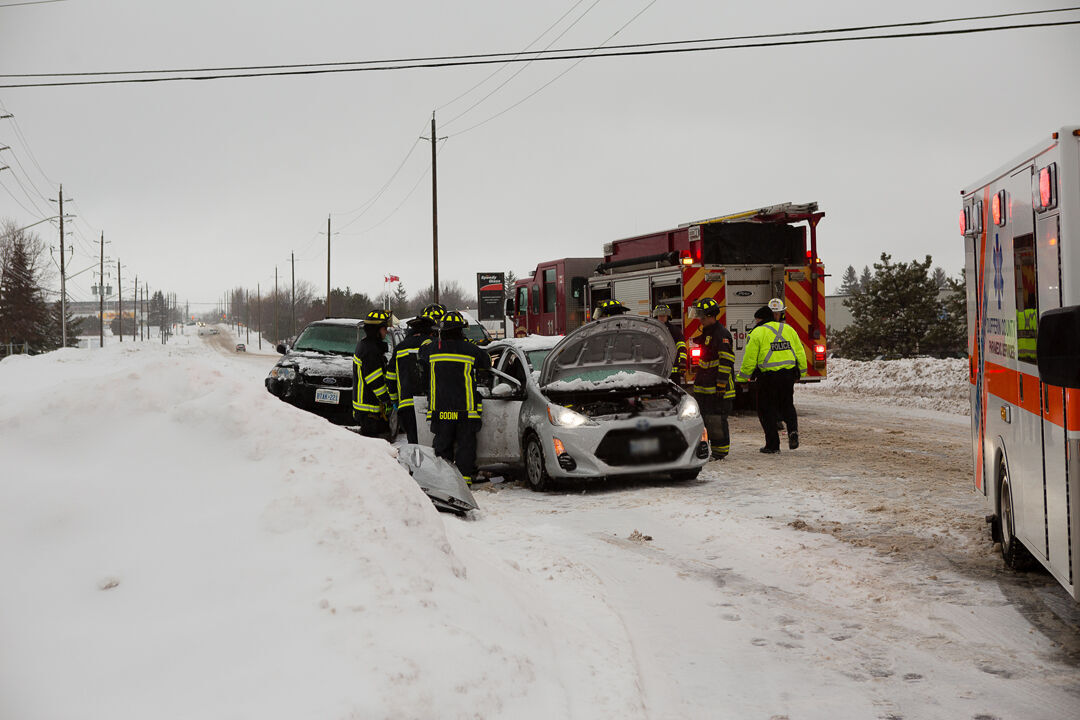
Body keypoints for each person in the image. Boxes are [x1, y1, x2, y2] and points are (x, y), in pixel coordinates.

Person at [418, 310, 492, 485]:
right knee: (465, 449)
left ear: (441, 331)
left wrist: (432, 340)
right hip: (465, 411)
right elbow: (487, 362)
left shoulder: (432, 348)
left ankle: (445, 483)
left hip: (441, 410)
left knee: (442, 449)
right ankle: (464, 483)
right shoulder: (470, 349)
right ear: (462, 330)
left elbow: (421, 355)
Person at [736, 298, 807, 453]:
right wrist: (801, 372)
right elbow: (800, 352)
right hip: (788, 376)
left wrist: (742, 379)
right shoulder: (789, 329)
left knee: (766, 410)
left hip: (768, 378)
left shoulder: (756, 333)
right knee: (787, 405)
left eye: (756, 320)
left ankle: (773, 445)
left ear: (760, 319)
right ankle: (793, 431)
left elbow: (749, 360)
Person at [391, 303, 445, 444]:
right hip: (430, 403)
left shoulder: (399, 348)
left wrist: (395, 401)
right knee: (432, 445)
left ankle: (415, 466)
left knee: (414, 444)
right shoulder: (433, 344)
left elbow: (390, 377)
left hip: (406, 405)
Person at [688, 297, 735, 459]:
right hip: (704, 388)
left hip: (718, 389)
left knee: (716, 420)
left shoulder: (722, 335)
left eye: (702, 316)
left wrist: (721, 385)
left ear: (710, 316)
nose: (699, 319)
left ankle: (720, 452)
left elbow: (726, 361)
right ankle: (706, 449)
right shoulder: (707, 333)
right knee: (704, 420)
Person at [353, 309, 394, 439]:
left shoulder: (366, 345)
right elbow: (375, 381)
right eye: (384, 328)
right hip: (369, 410)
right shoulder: (370, 350)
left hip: (367, 408)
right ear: (376, 330)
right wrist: (387, 400)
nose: (386, 331)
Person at [653, 304, 687, 382]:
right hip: (656, 372)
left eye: (664, 315)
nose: (661, 317)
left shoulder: (675, 331)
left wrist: (682, 363)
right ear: (656, 316)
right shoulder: (652, 331)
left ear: (668, 316)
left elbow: (682, 348)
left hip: (673, 372)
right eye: (660, 315)